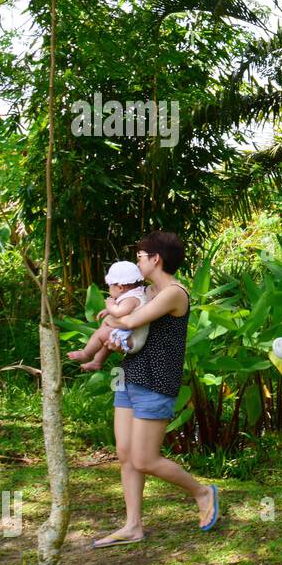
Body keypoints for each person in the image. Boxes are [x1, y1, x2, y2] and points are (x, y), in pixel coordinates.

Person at [91, 231, 219, 548]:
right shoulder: (147, 290)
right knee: (125, 454)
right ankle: (133, 525)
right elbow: (126, 331)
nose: (137, 262)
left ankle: (202, 493)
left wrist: (112, 316)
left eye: (140, 256)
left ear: (155, 259)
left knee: (145, 458)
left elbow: (130, 322)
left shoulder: (174, 293)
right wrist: (109, 339)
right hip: (131, 375)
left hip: (156, 381)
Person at [67, 261, 149, 371]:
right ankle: (97, 362)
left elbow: (119, 312)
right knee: (106, 335)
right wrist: (109, 311)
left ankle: (86, 354)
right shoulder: (135, 294)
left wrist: (110, 305)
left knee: (102, 333)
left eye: (110, 286)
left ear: (120, 288)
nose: (109, 289)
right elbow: (126, 311)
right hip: (128, 336)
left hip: (132, 340)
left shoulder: (131, 299)